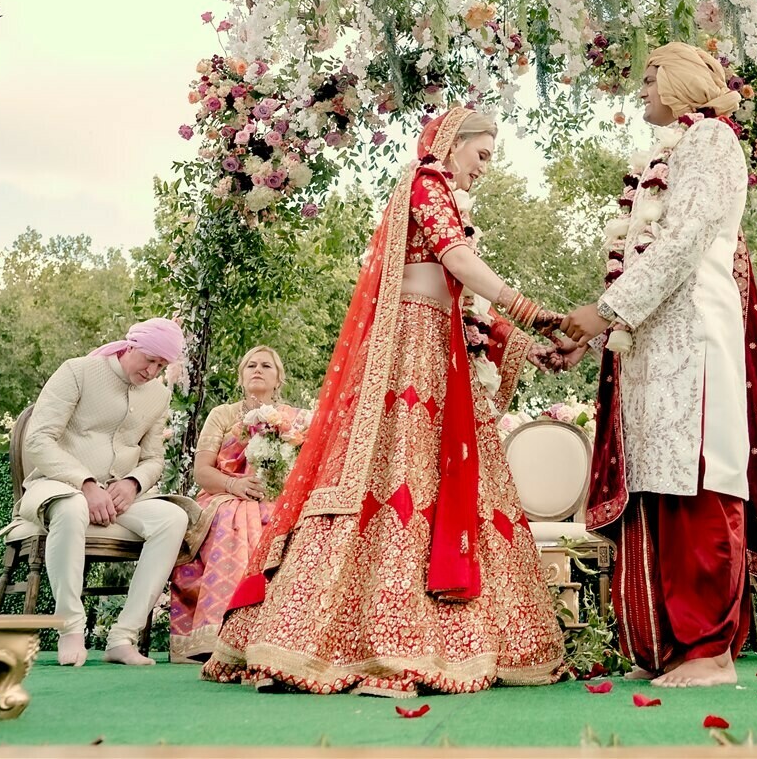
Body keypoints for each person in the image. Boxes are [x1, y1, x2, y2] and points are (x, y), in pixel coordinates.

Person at [206, 107, 565, 696]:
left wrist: (527, 343)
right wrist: (531, 311)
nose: (484, 167)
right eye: (481, 154)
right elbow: (455, 260)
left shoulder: (446, 195)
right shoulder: (427, 181)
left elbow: (464, 302)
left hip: (441, 348)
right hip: (410, 350)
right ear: (451, 144)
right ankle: (355, 640)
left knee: (434, 481)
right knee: (398, 476)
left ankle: (435, 636)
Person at [556, 43, 757, 688]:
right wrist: (601, 328)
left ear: (683, 82)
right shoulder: (670, 151)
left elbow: (687, 239)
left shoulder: (712, 140)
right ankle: (670, 644)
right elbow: (646, 254)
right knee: (660, 487)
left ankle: (710, 651)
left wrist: (606, 311)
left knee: (699, 483)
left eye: (650, 77)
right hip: (651, 344)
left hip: (694, 341)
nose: (642, 90)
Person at [15, 318, 198, 667]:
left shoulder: (159, 395)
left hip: (119, 498)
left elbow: (154, 459)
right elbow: (38, 440)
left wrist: (133, 483)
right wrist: (85, 483)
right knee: (72, 508)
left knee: (173, 518)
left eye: (161, 366)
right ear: (131, 346)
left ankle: (123, 637)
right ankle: (70, 627)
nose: (152, 371)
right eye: (149, 359)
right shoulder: (77, 371)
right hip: (60, 486)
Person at [168, 346, 303, 663]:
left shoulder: (295, 420)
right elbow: (202, 472)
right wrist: (235, 485)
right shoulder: (223, 415)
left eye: (266, 366)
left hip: (278, 499)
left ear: (278, 378)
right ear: (241, 377)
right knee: (234, 516)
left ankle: (276, 636)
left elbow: (306, 469)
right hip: (226, 495)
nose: (258, 370)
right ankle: (220, 634)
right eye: (251, 365)